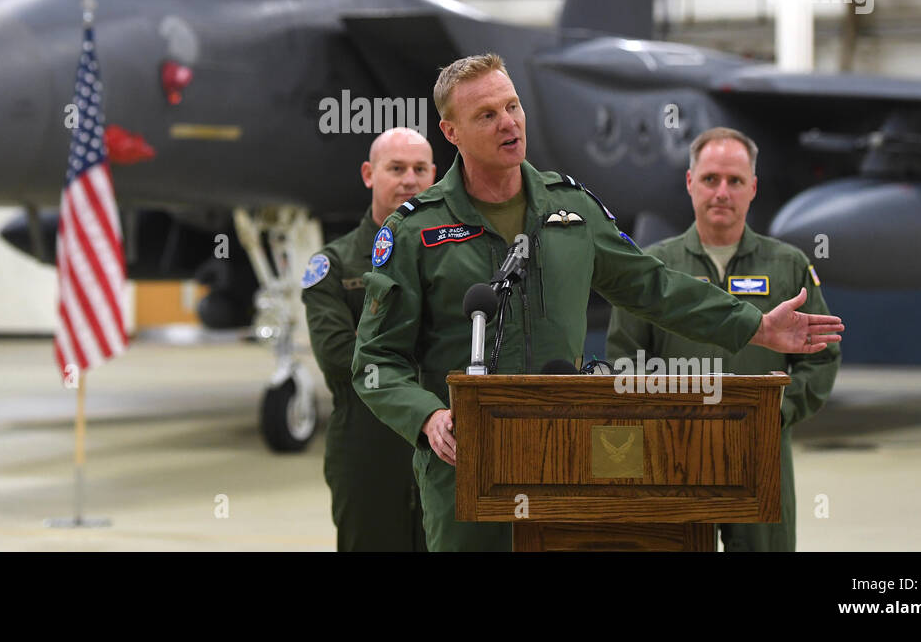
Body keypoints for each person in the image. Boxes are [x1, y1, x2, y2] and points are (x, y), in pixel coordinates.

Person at [352, 54, 844, 552]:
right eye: (486, 115)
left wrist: (753, 326)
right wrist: (427, 417)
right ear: (451, 132)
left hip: (564, 458)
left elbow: (655, 287)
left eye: (513, 106)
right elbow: (376, 361)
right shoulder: (416, 232)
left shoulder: (572, 212)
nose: (508, 122)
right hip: (465, 467)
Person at [606, 126, 840, 552]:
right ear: (690, 182)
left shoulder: (788, 266)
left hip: (760, 453)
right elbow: (625, 358)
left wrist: (777, 412)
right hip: (673, 458)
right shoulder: (653, 268)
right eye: (711, 179)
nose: (722, 192)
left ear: (753, 188)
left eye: (735, 181)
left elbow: (821, 358)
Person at [301, 127, 435, 552]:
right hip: (366, 450)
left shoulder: (456, 256)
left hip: (444, 448)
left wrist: (379, 338)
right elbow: (339, 358)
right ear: (368, 174)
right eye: (395, 168)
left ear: (434, 175)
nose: (409, 180)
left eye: (419, 169)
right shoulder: (333, 266)